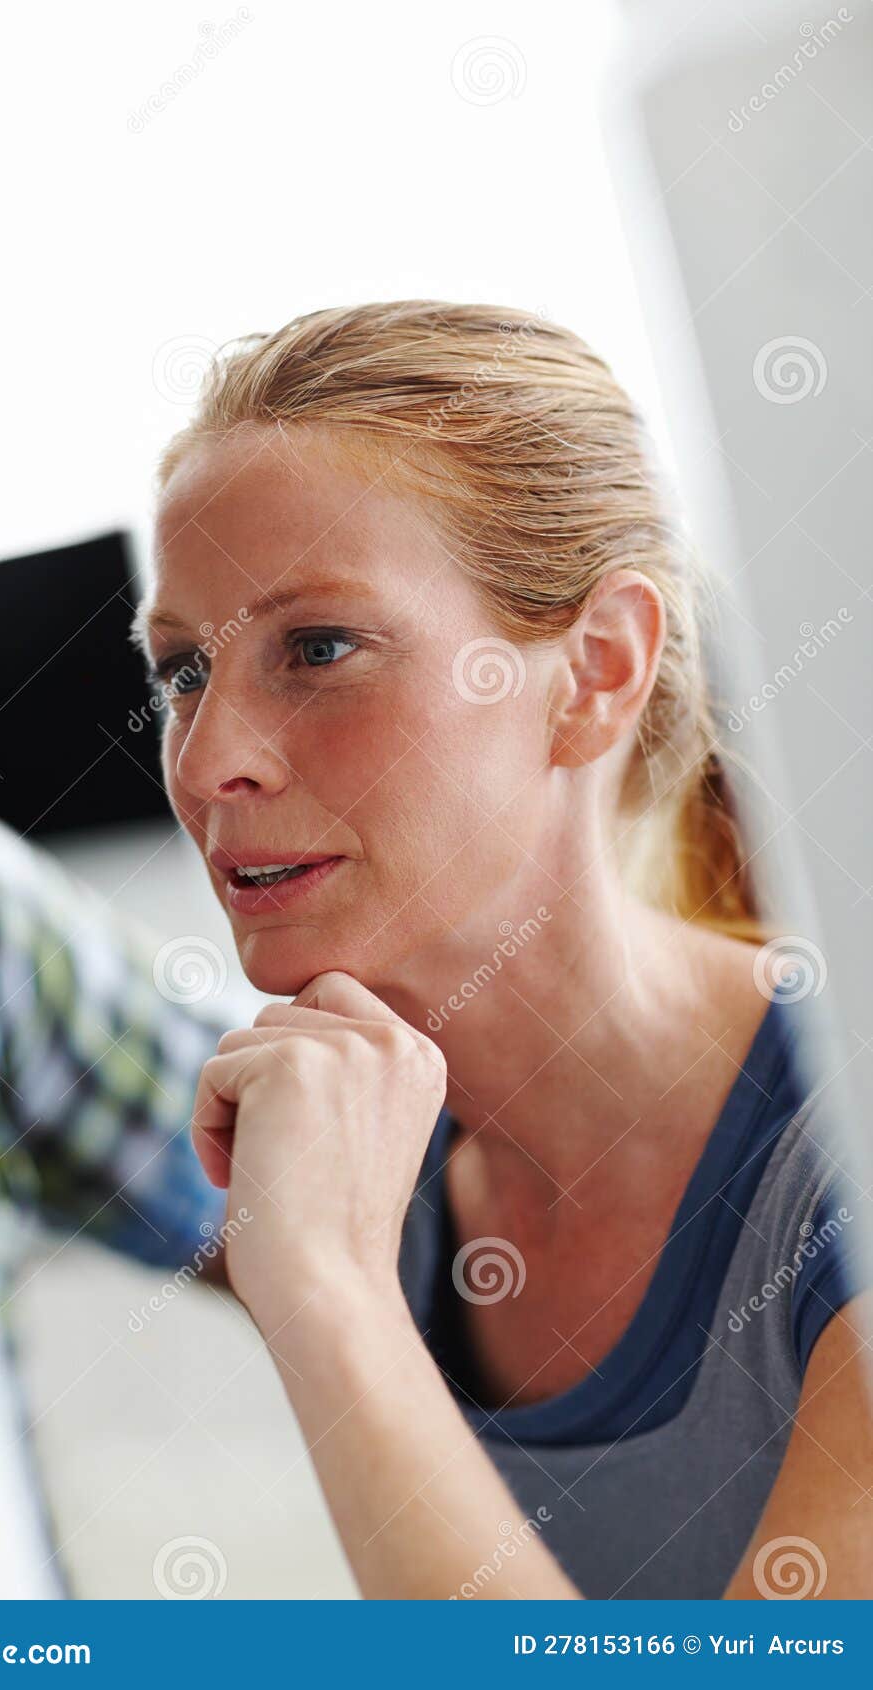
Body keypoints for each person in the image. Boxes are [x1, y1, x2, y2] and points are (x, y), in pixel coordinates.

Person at [129, 299, 872, 1600]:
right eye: (184, 669)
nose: (207, 760)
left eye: (317, 647)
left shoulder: (835, 1178)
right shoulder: (362, 1143)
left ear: (593, 668)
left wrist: (326, 1291)